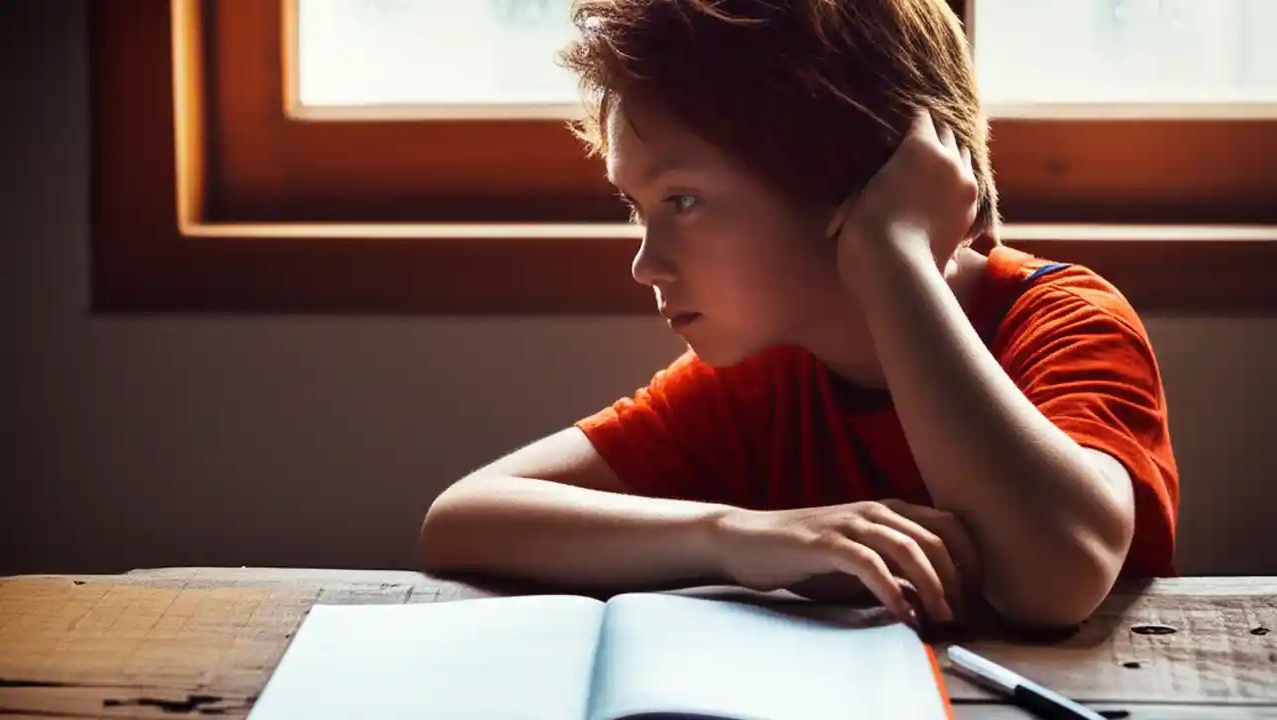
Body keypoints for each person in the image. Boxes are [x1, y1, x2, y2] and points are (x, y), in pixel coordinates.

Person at [418, 0, 1178, 627]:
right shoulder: (768, 375)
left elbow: (1050, 582)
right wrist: (736, 537)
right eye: (638, 208)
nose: (645, 263)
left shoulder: (1062, 320)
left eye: (682, 200)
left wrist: (891, 255)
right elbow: (465, 518)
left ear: (858, 175)